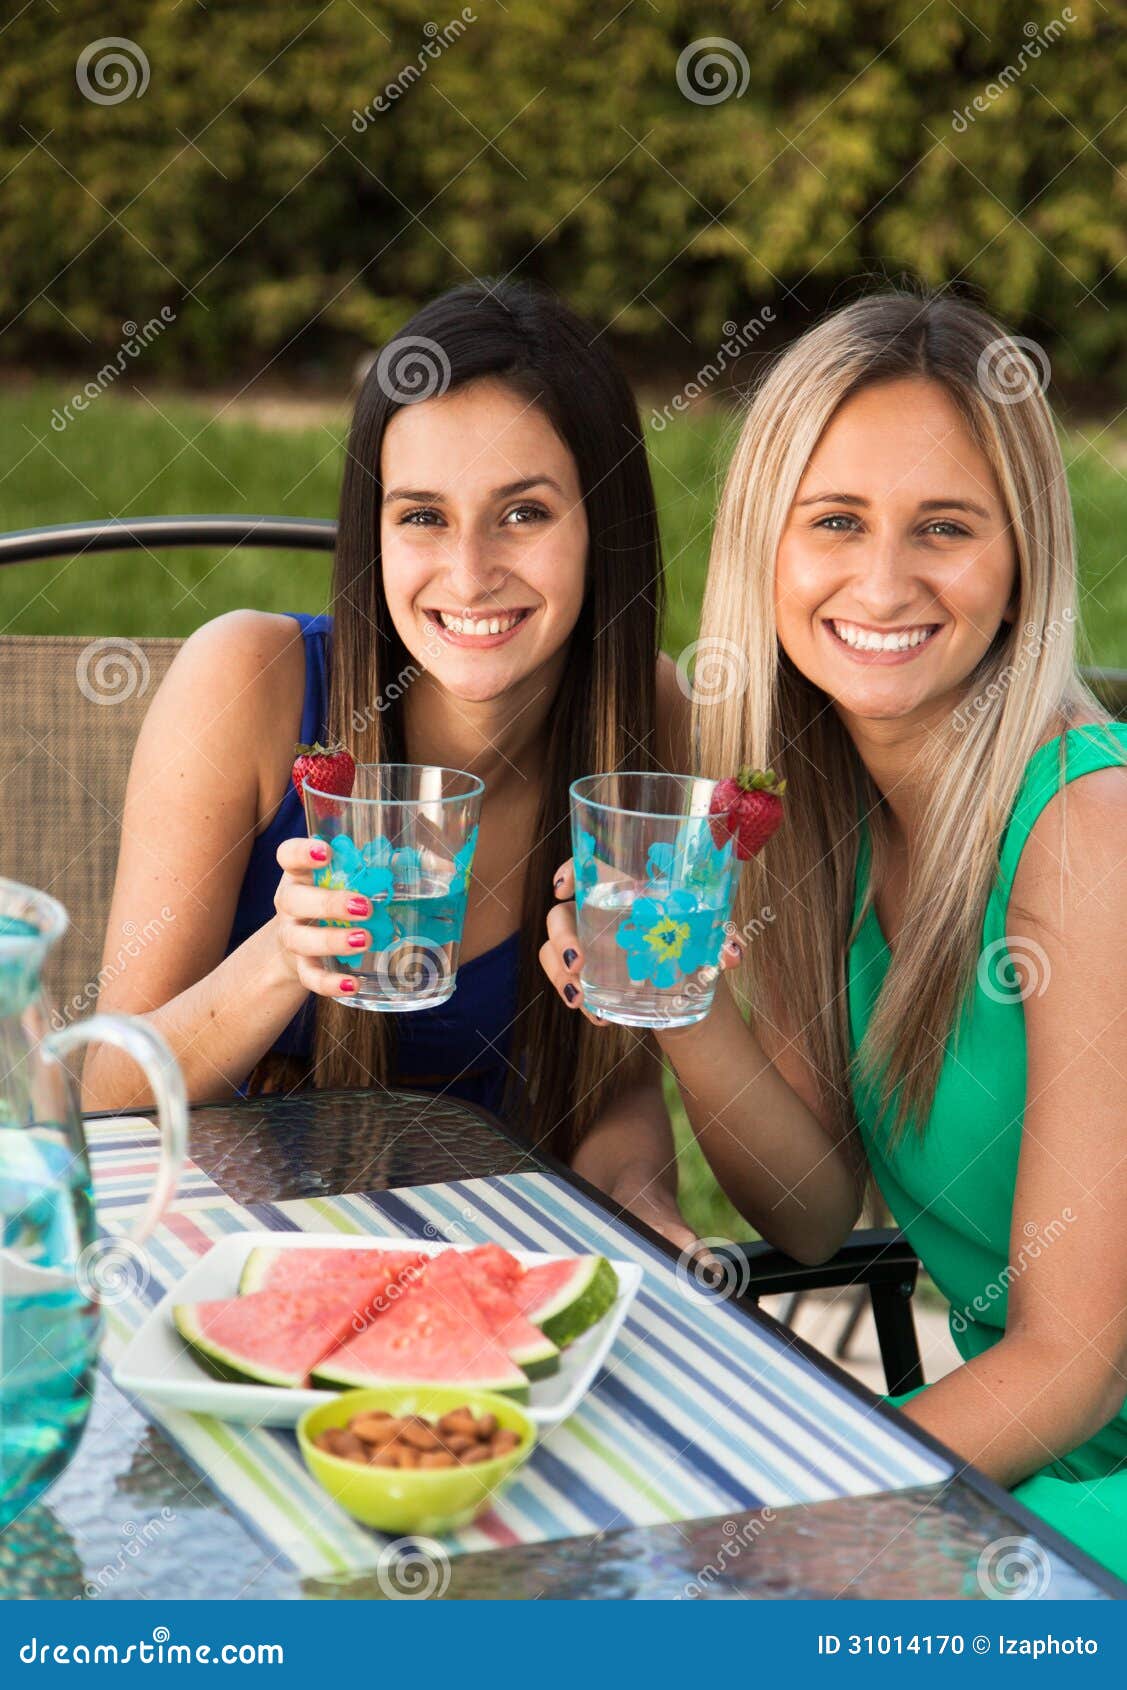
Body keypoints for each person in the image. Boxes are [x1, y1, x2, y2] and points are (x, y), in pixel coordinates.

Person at [541, 290, 1127, 1578]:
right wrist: (678, 1002)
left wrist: (790, 1516)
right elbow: (810, 1214)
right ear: (767, 547)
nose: (881, 580)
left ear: (1021, 555)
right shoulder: (825, 820)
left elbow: (1075, 1368)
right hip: (1016, 1476)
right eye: (835, 523)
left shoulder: (1090, 836)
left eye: (944, 529)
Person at [83, 279, 696, 1248]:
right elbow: (107, 1096)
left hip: (485, 1278)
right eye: (421, 517)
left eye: (522, 513)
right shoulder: (247, 686)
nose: (467, 573)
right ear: (374, 533)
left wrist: (645, 1212)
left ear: (602, 525)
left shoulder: (647, 715)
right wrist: (286, 957)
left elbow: (615, 1085)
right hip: (226, 1262)